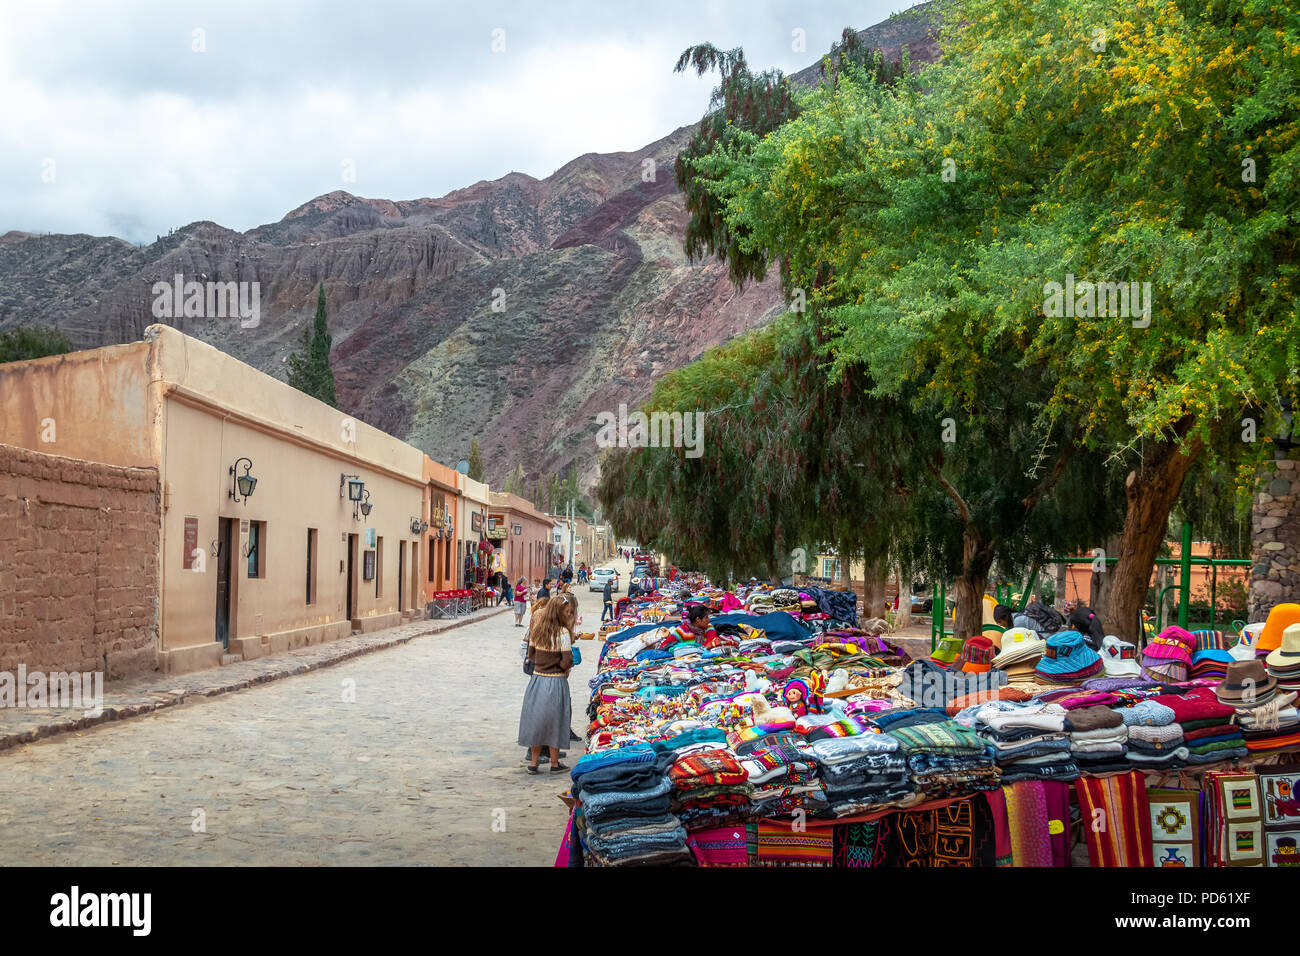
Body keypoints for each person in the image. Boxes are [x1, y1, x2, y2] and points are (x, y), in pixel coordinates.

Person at [518, 593, 577, 773]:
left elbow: (532, 655)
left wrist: (543, 664)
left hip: (537, 680)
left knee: (537, 720)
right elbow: (566, 660)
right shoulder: (562, 633)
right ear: (560, 613)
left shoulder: (538, 630)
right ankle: (554, 763)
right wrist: (559, 665)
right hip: (555, 681)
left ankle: (534, 763)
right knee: (555, 722)